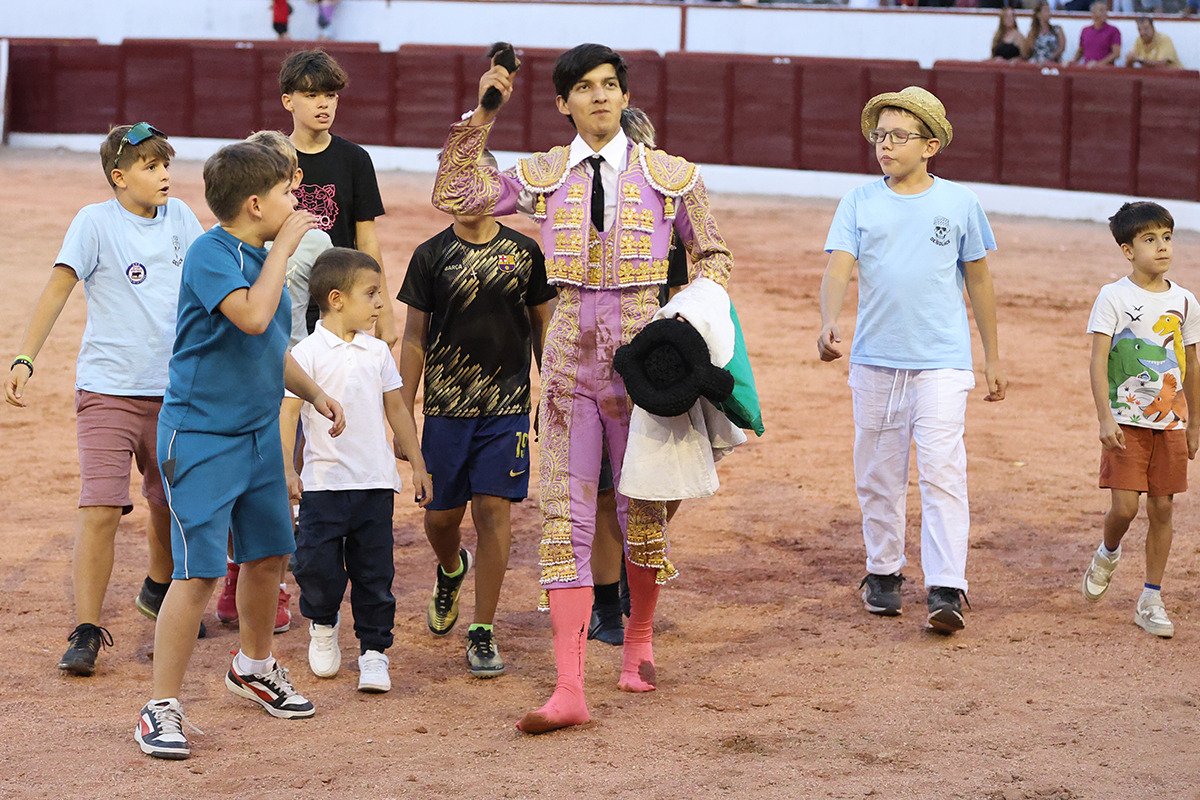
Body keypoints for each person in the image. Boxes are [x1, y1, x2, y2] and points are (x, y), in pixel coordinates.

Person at [432, 43, 734, 733]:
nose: (599, 97)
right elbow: (454, 194)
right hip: (568, 356)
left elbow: (713, 253)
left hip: (642, 356)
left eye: (609, 86)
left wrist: (689, 315)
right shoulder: (544, 174)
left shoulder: (671, 176)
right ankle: (570, 687)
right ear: (565, 102)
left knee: (642, 510)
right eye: (584, 88)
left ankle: (637, 645)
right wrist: (484, 111)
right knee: (566, 518)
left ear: (625, 97)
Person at [133, 141, 345, 760]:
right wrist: (285, 246)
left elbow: (271, 346)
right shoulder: (211, 253)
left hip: (255, 434)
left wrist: (314, 394)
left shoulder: (258, 253)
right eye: (286, 192)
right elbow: (252, 317)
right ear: (256, 204)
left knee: (270, 553)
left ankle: (253, 666)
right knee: (198, 572)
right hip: (199, 437)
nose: (296, 200)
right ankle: (159, 707)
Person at [5, 123, 204, 677]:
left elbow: (210, 287)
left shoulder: (183, 218)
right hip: (109, 389)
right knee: (99, 508)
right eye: (150, 166)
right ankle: (87, 628)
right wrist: (25, 357)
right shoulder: (94, 222)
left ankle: (159, 588)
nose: (164, 173)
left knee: (171, 504)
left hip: (176, 391)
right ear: (119, 177)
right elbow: (58, 288)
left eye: (166, 162)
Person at [817, 86, 1007, 635]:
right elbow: (838, 268)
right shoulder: (858, 201)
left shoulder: (960, 202)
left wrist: (992, 355)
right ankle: (883, 571)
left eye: (898, 136)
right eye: (880, 135)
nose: (885, 145)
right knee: (878, 473)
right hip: (875, 357)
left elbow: (979, 279)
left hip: (943, 359)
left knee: (943, 470)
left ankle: (947, 587)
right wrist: (829, 319)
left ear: (929, 146)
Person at [398, 151, 556, 678]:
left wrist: (550, 394)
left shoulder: (525, 252)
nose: (468, 191)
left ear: (500, 184)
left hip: (505, 409)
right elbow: (415, 339)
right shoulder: (429, 256)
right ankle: (450, 567)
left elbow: (543, 330)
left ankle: (483, 629)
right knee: (440, 517)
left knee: (494, 511)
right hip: (445, 409)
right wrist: (405, 413)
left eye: (479, 178)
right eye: (456, 181)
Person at [282, 248, 431, 692]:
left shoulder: (376, 353)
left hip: (374, 484)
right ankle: (323, 625)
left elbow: (398, 411)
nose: (380, 304)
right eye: (371, 294)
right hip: (323, 485)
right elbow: (288, 415)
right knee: (318, 569)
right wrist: (287, 471)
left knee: (374, 574)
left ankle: (373, 651)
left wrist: (417, 464)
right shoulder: (304, 354)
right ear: (336, 299)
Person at [213, 130, 334, 633]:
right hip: (251, 369)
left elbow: (328, 303)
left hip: (293, 366)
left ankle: (273, 580)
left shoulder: (318, 241)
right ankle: (235, 569)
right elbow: (252, 319)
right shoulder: (228, 247)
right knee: (250, 483)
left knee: (289, 479)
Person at [588, 106, 688, 647]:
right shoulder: (581, 208)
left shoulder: (667, 212)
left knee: (662, 488)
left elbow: (682, 296)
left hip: (656, 366)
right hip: (593, 367)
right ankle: (607, 604)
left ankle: (632, 569)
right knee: (606, 491)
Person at [1082, 202, 1198, 639]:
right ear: (1128, 250)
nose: (1162, 247)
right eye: (1150, 239)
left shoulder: (1185, 300)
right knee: (1125, 508)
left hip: (1170, 420)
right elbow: (1097, 360)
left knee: (1163, 506)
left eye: (1167, 237)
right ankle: (1108, 552)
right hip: (1126, 421)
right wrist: (1104, 417)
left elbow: (1192, 362)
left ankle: (1151, 596)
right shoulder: (1114, 296)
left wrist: (1195, 423)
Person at [278, 49, 396, 346]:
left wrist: (385, 312)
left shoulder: (355, 160)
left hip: (339, 300)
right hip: (283, 294)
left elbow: (366, 239)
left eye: (330, 95)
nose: (323, 104)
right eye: (311, 94)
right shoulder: (271, 158)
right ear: (288, 101)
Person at [1072, 1, 1121, 67]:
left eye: (1105, 10)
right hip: (1087, 68)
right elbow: (1081, 50)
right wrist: (1072, 61)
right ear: (1093, 14)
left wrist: (1099, 64)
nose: (1105, 13)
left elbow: (1116, 53)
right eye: (1101, 10)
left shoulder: (1113, 30)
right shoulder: (1085, 30)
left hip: (1105, 70)